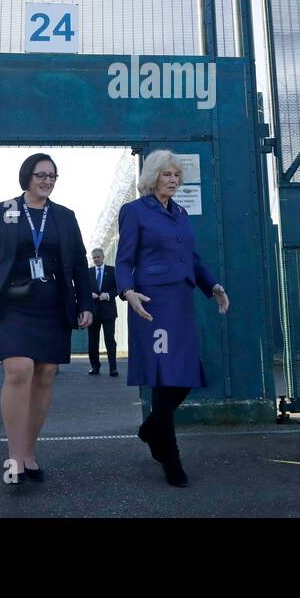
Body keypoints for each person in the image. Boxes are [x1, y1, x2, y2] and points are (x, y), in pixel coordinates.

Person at [0, 153, 93, 484]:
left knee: (46, 374)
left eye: (52, 176)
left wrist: (86, 302)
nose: (47, 181)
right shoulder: (4, 210)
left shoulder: (65, 216)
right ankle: (14, 457)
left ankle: (29, 452)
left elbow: (79, 262)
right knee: (19, 368)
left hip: (52, 305)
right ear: (27, 177)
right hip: (11, 305)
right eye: (41, 175)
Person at [116, 150, 229, 487]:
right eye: (167, 174)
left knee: (182, 377)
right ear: (152, 176)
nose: (174, 180)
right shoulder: (134, 211)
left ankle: (151, 429)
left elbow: (190, 258)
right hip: (151, 304)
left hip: (180, 304)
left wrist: (213, 286)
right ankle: (171, 457)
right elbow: (123, 260)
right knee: (164, 381)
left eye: (177, 175)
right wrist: (127, 291)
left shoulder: (180, 213)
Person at [86, 247, 118, 377]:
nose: (96, 259)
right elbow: (83, 288)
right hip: (93, 311)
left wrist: (108, 295)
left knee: (110, 340)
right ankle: (95, 367)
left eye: (98, 257)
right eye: (94, 257)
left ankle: (113, 368)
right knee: (93, 341)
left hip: (108, 311)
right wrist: (90, 294)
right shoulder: (88, 272)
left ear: (103, 257)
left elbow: (118, 288)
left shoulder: (112, 271)